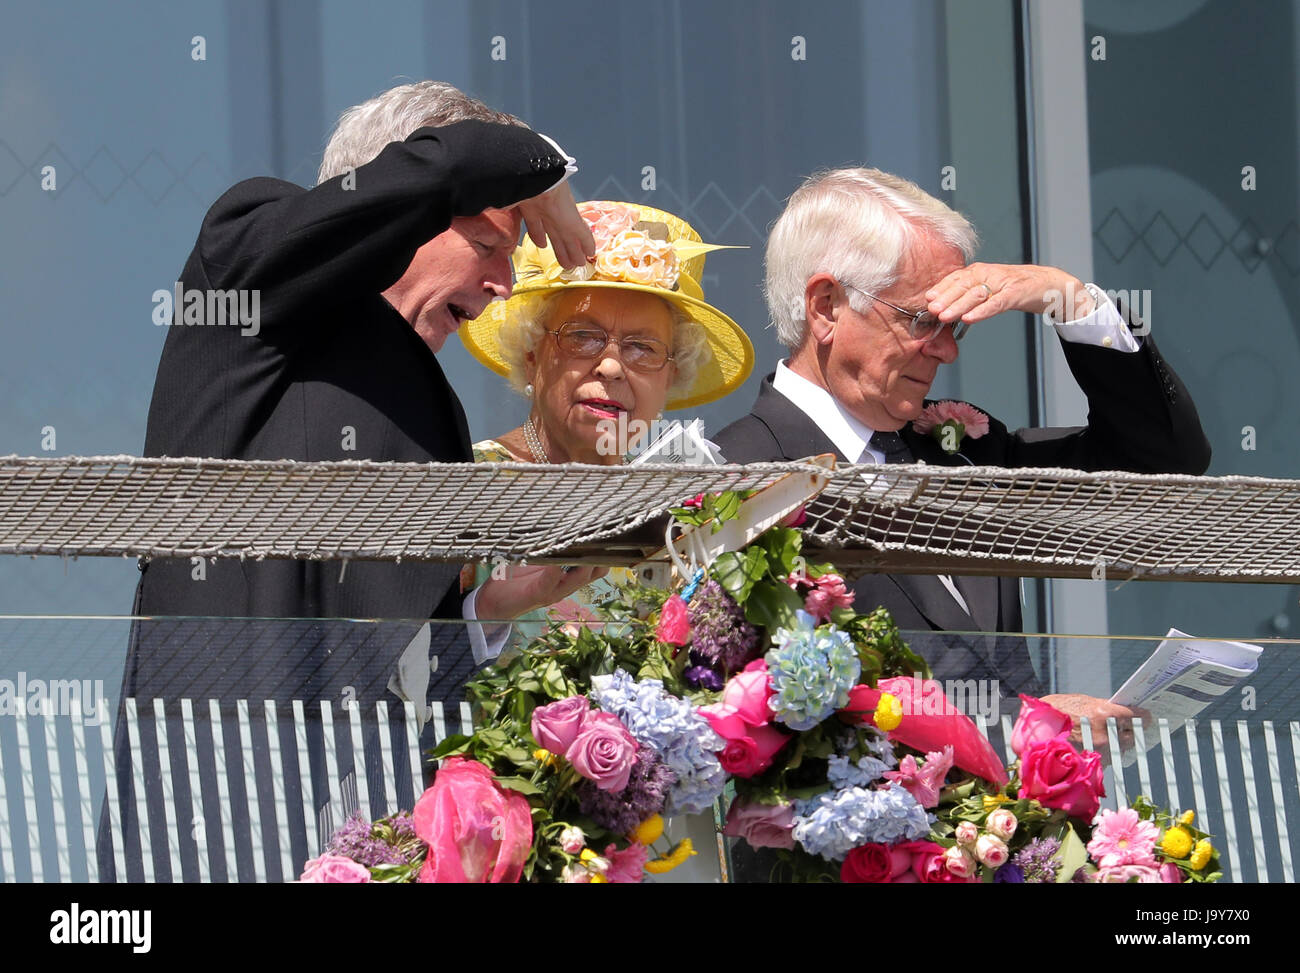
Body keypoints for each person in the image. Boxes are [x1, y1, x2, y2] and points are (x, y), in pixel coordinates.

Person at [103, 82, 602, 882]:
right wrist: (534, 169)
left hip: (367, 838)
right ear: (405, 205)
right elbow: (435, 166)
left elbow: (405, 660)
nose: (506, 281)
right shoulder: (250, 267)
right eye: (491, 241)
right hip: (218, 824)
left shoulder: (430, 410)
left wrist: (487, 610)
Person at [713, 167, 1212, 736]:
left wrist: (1070, 300)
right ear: (826, 306)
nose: (947, 351)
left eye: (957, 327)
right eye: (924, 321)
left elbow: (1162, 462)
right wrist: (1029, 723)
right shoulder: (738, 474)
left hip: (1010, 823)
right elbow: (771, 714)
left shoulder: (959, 447)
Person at [457, 200, 752, 650]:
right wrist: (486, 613)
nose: (612, 366)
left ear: (673, 374)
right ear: (532, 351)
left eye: (642, 348)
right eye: (582, 337)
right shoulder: (464, 485)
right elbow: (399, 665)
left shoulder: (692, 505)